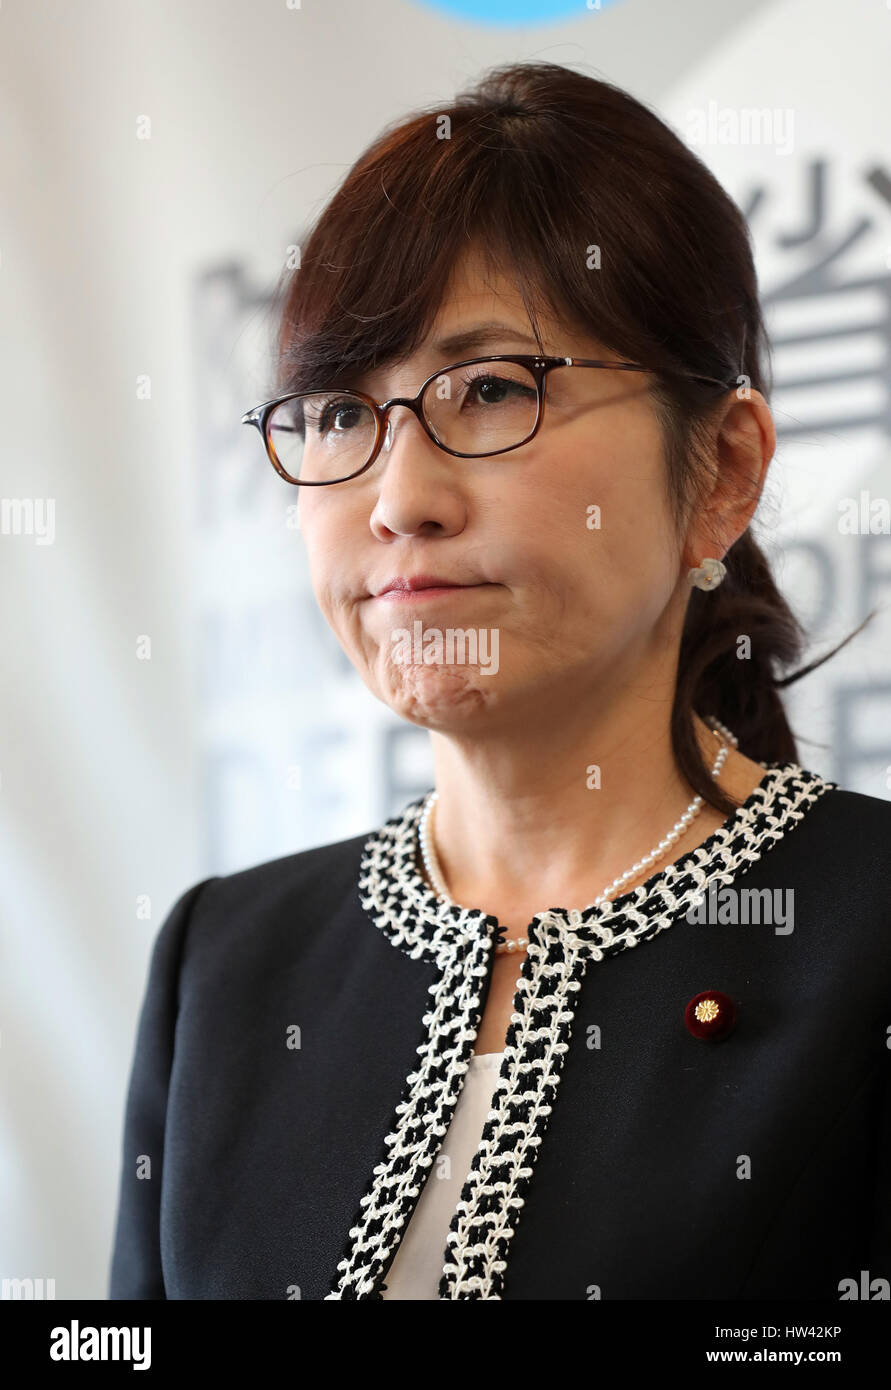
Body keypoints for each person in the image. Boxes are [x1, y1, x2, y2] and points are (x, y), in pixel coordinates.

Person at [109, 60, 891, 1301]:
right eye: (334, 412)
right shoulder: (228, 963)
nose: (400, 500)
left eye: (490, 390)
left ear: (722, 474)